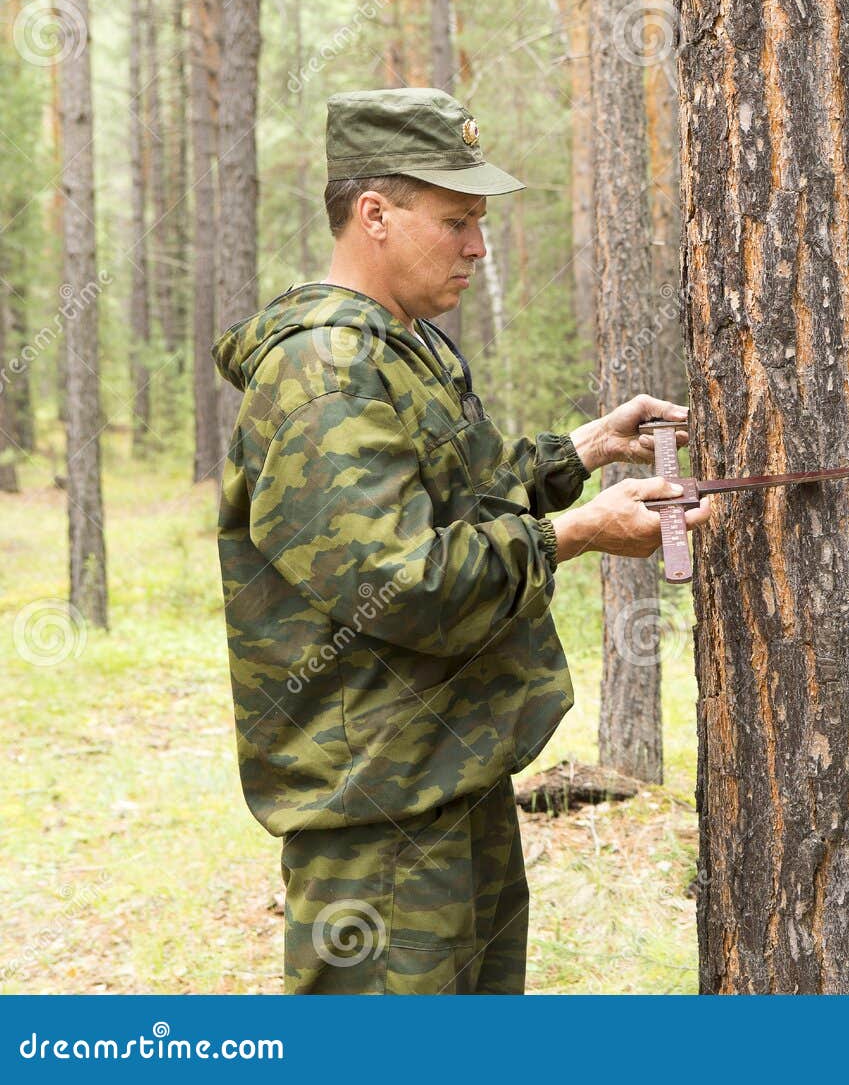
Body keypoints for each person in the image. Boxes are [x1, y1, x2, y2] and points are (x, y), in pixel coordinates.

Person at [212, 87, 706, 993]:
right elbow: (400, 577)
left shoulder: (400, 345)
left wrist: (587, 449)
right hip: (376, 809)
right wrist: (580, 532)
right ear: (376, 216)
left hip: (445, 775)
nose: (478, 246)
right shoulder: (323, 371)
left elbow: (458, 488)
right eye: (456, 221)